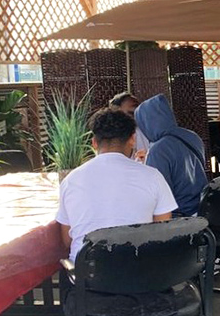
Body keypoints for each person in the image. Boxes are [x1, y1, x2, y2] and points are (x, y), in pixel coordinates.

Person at [135, 95, 220, 272]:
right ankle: (208, 257)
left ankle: (180, 265)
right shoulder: (191, 136)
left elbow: (161, 193)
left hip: (182, 213)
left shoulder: (158, 150)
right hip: (206, 207)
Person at [57, 107, 176, 264]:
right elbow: (163, 233)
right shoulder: (153, 176)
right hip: (142, 276)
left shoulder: (71, 180)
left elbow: (67, 240)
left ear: (93, 142)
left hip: (89, 277)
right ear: (132, 139)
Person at [109, 91, 150, 161]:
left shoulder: (143, 132)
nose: (136, 117)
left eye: (137, 113)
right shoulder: (108, 135)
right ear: (116, 112)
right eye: (131, 113)